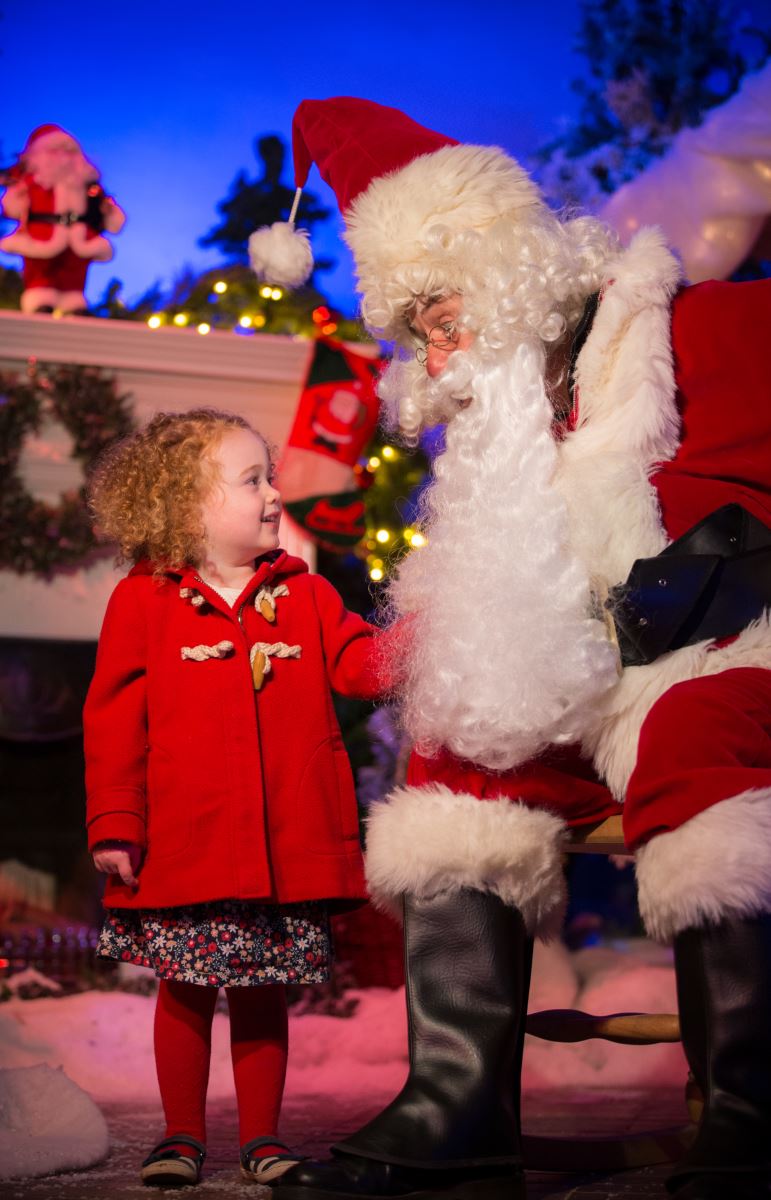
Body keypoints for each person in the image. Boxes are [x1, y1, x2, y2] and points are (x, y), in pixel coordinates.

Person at [247, 98, 771, 1200]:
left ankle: (750, 1104)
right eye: (416, 331)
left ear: (504, 264)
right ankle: (457, 1104)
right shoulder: (501, 419)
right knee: (455, 770)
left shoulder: (706, 327)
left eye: (440, 313)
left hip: (723, 655)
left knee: (693, 734)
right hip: (585, 686)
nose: (435, 352)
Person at [84, 407, 383, 1188]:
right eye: (252, 479)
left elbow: (359, 665)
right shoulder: (141, 602)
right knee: (183, 990)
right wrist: (117, 822)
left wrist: (429, 640)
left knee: (261, 994)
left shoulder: (307, 595)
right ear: (188, 505)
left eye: (271, 476)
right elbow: (112, 721)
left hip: (280, 844)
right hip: (188, 840)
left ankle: (263, 1140)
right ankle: (180, 1136)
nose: (274, 494)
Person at [0, 124, 125, 313]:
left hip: (79, 236)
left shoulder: (87, 185)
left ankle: (74, 302)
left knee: (74, 272)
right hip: (42, 234)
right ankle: (40, 300)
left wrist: (109, 211)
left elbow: (106, 210)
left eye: (68, 151)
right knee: (40, 271)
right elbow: (12, 207)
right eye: (54, 151)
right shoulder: (31, 183)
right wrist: (17, 194)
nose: (62, 157)